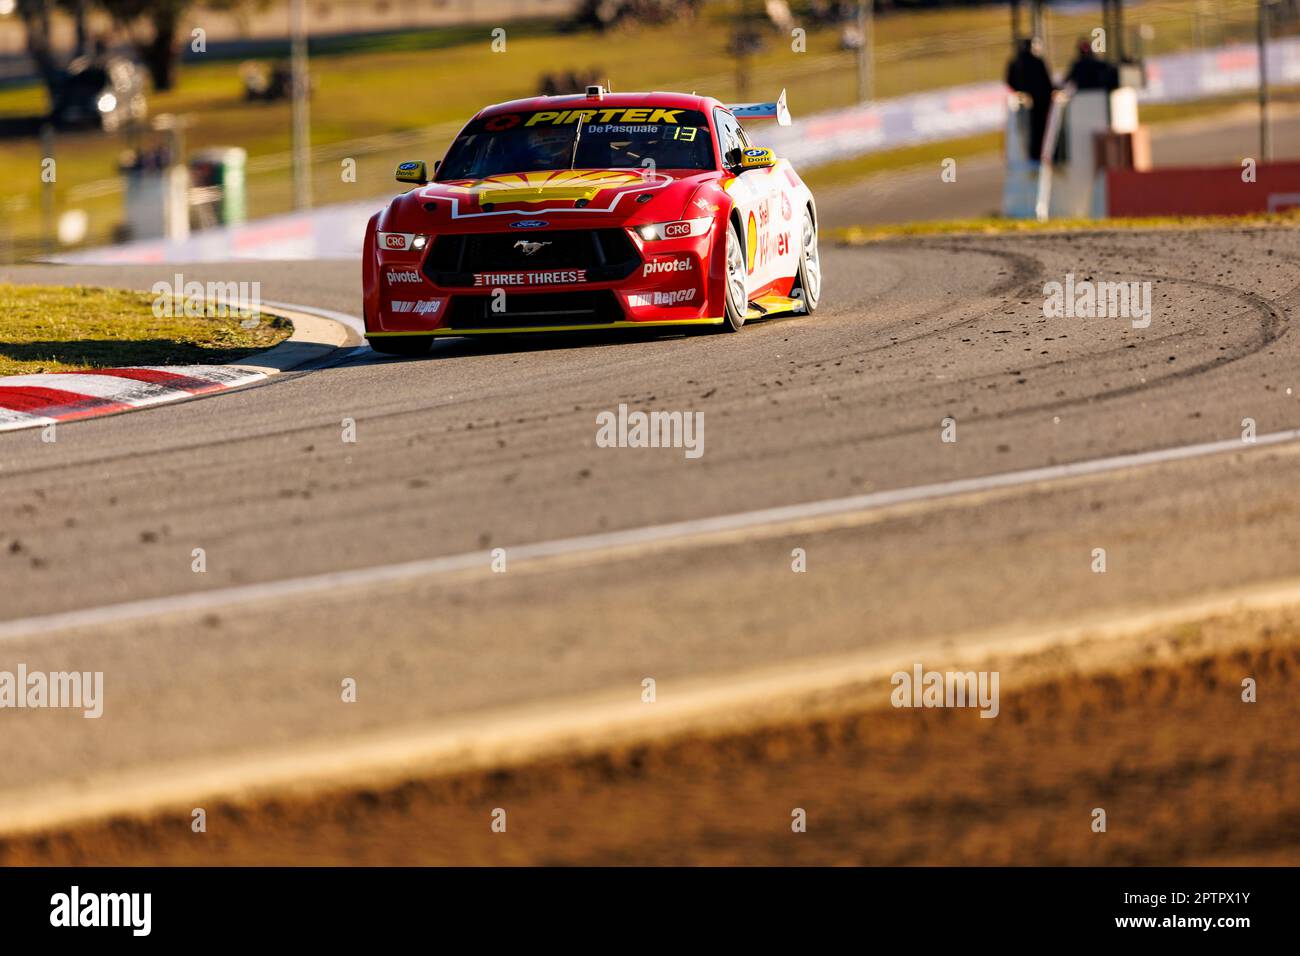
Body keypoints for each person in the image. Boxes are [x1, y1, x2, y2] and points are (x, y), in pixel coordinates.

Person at [1005, 37, 1055, 162]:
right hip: (1039, 101)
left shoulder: (1015, 62)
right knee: (1039, 128)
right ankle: (1039, 153)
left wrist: (1021, 91)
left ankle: (1032, 154)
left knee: (1025, 130)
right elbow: (1047, 83)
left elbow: (1009, 80)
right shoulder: (1037, 62)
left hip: (1026, 101)